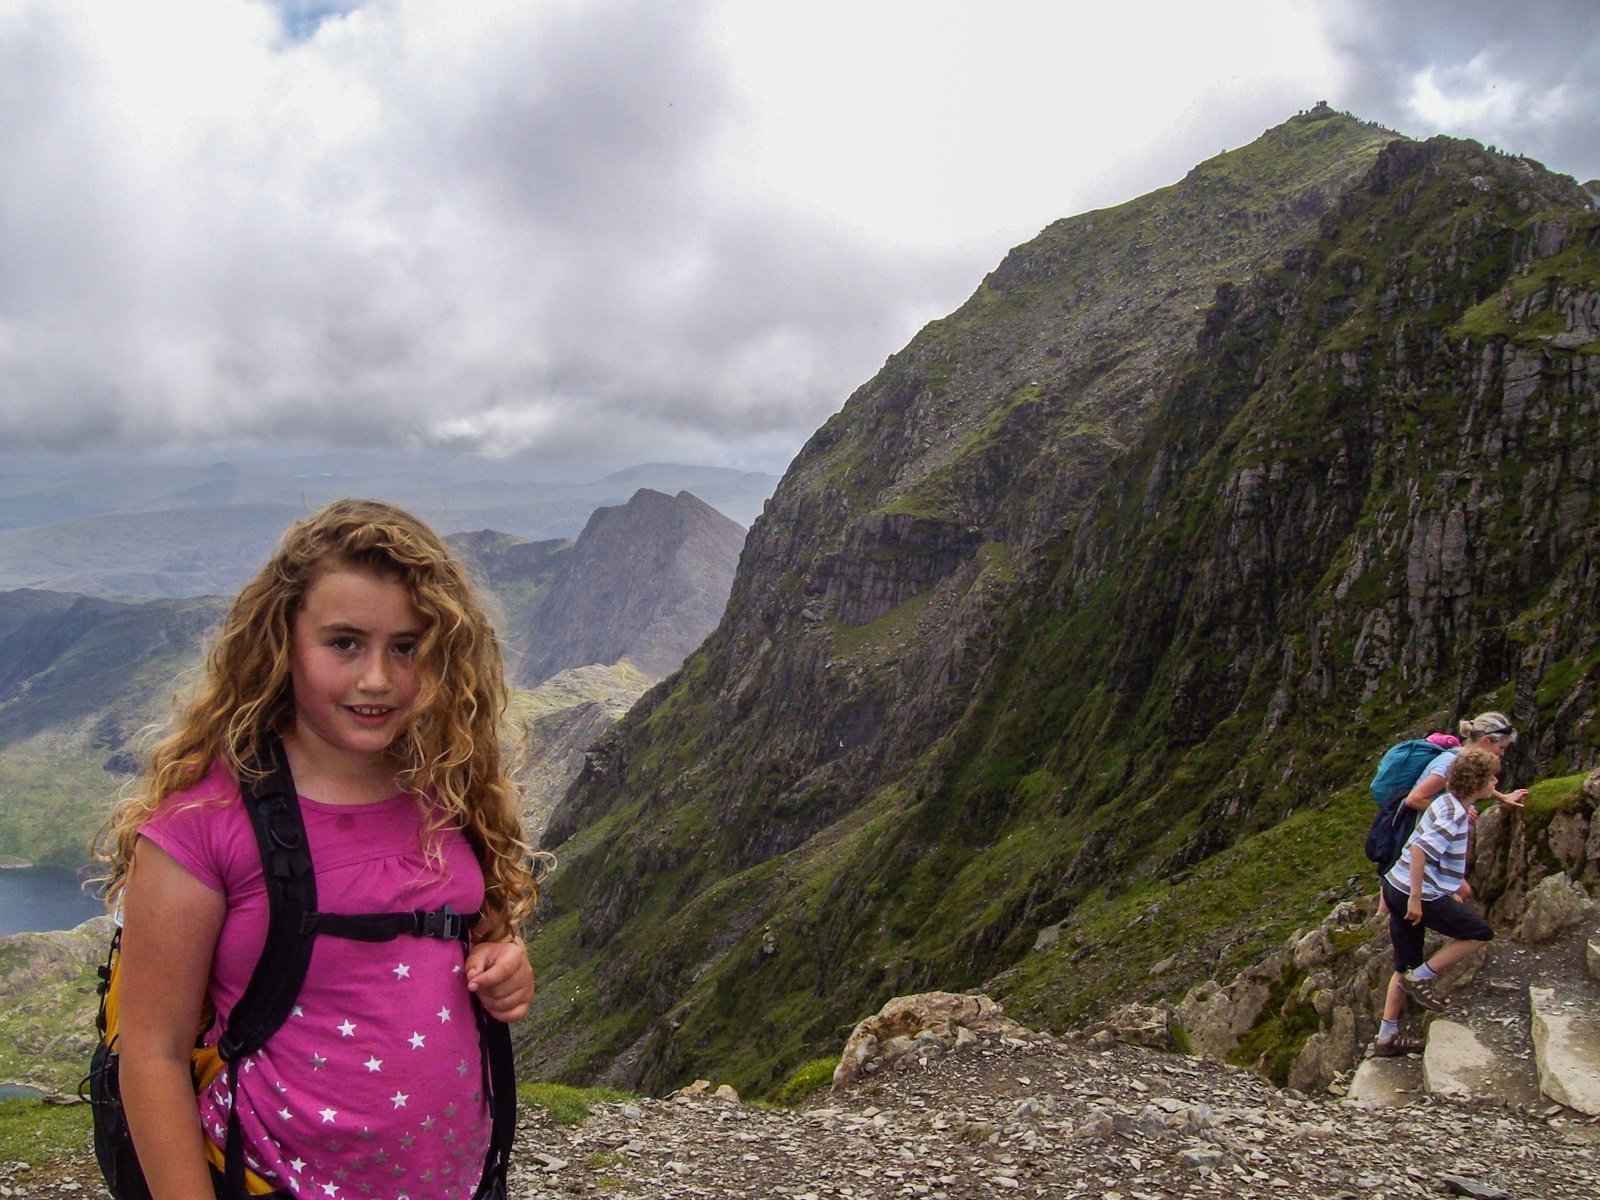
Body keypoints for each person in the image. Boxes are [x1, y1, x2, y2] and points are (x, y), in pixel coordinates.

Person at [99, 499, 537, 1200]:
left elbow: (467, 933)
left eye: (407, 647)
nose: (377, 679)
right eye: (344, 643)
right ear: (283, 643)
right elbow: (151, 1055)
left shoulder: (448, 788)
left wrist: (505, 961)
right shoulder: (206, 821)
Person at [1370, 745, 1500, 1056]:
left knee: (1403, 965)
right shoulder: (1454, 814)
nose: (1496, 783)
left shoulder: (1443, 803)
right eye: (1492, 779)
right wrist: (1417, 898)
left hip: (1394, 885)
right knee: (1479, 932)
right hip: (1416, 894)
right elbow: (1420, 851)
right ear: (1477, 783)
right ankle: (1423, 977)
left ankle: (1386, 1036)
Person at [1400, 711, 1527, 816]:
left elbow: (1473, 783)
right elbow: (1414, 799)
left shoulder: (1468, 760)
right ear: (1486, 740)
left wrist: (1503, 797)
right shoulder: (1449, 764)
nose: (1502, 754)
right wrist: (1459, 813)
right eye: (1501, 747)